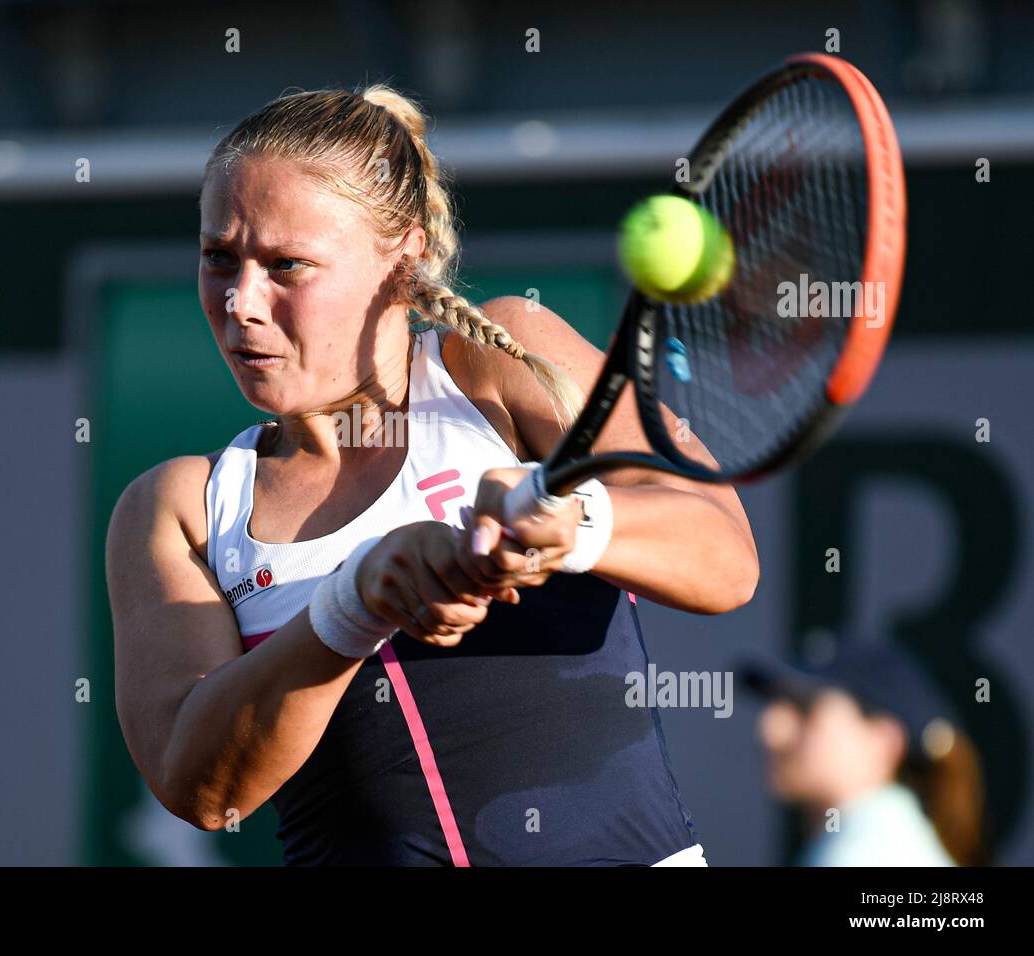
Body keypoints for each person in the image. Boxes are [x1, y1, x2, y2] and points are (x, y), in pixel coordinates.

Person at [105, 83, 759, 865]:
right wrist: (353, 603)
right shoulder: (178, 507)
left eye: (287, 265)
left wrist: (574, 523)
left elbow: (725, 556)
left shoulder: (502, 361)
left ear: (403, 259)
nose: (242, 301)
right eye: (219, 258)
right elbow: (203, 788)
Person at [741, 639, 987, 867]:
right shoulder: (870, 845)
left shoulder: (862, 855)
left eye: (804, 708)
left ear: (883, 741)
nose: (770, 730)